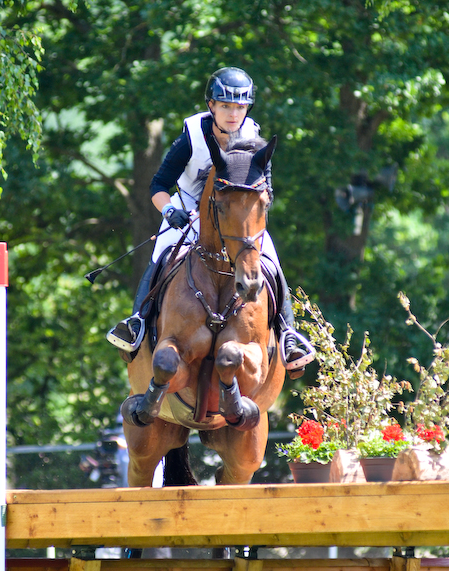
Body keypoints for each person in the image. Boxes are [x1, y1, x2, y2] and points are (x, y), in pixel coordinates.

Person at [107, 66, 314, 378]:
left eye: (240, 107)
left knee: (270, 259)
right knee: (162, 251)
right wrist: (169, 212)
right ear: (211, 106)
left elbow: (265, 191)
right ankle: (137, 320)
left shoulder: (254, 140)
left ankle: (288, 334)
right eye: (226, 106)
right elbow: (158, 185)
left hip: (236, 216)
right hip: (189, 207)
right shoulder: (192, 137)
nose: (233, 114)